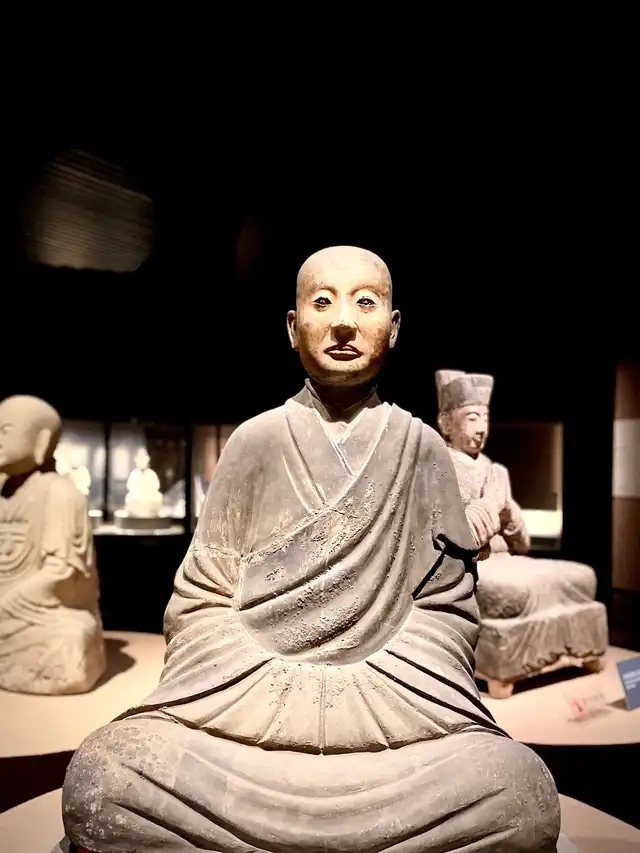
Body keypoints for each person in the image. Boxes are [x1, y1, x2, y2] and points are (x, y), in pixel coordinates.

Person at [57, 247, 567, 852]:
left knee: (522, 795)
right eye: (323, 302)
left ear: (393, 328)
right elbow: (201, 602)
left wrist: (353, 694)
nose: (344, 321)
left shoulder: (422, 450)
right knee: (103, 779)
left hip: (392, 716)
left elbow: (447, 612)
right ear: (292, 327)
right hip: (250, 713)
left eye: (365, 303)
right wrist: (287, 689)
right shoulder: (254, 442)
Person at [436, 370, 608, 697]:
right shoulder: (437, 467)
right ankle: (499, 671)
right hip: (467, 565)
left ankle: (583, 651)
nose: (482, 428)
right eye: (472, 418)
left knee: (582, 578)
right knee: (514, 592)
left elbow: (521, 545)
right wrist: (490, 505)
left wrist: (511, 516)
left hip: (505, 558)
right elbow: (454, 540)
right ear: (446, 423)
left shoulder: (493, 469)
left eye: (485, 418)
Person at [0, 395, 105, 695]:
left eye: (5, 431)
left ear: (42, 440)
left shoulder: (61, 495)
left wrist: (6, 604)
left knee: (69, 638)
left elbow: (60, 574)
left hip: (39, 610)